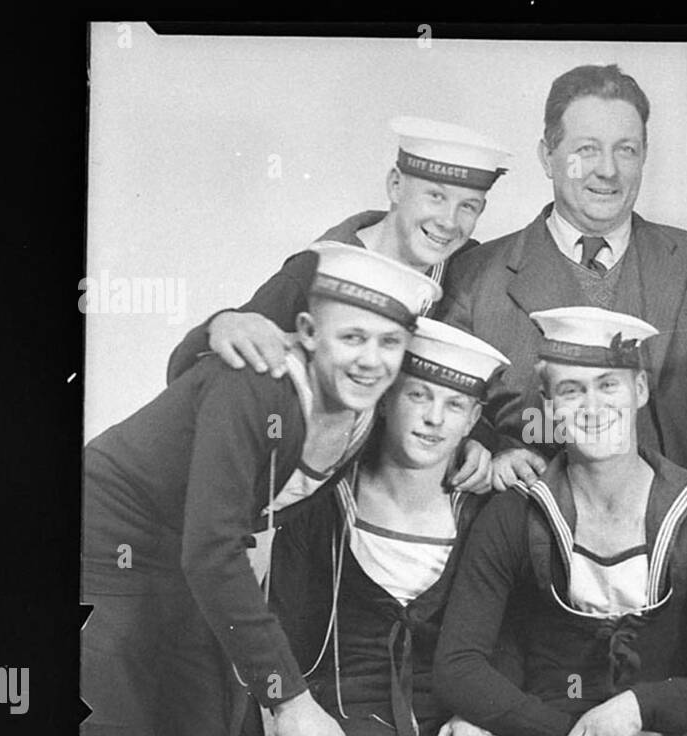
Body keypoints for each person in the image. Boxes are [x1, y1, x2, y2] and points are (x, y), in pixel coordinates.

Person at [80, 244, 440, 736]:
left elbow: (442, 410)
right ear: (307, 332)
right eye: (352, 337)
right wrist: (290, 700)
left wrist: (490, 450)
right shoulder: (258, 384)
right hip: (109, 541)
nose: (371, 360)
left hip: (191, 554)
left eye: (389, 343)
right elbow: (212, 551)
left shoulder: (365, 409)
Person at [433, 307, 687, 736]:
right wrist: (574, 734)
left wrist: (638, 709)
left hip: (662, 734)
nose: (593, 407)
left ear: (640, 390)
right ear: (548, 405)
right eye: (572, 391)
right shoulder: (516, 513)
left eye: (608, 385)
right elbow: (457, 667)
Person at [165, 117, 513, 492]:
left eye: (468, 206)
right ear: (396, 185)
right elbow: (199, 369)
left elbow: (464, 380)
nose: (448, 221)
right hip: (293, 487)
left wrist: (479, 440)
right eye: (435, 196)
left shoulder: (464, 271)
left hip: (387, 488)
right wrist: (223, 323)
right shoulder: (315, 272)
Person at [437, 64, 687, 487]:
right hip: (540, 522)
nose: (608, 170)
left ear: (644, 156)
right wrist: (492, 446)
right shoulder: (476, 276)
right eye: (587, 150)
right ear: (547, 157)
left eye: (626, 149)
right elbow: (444, 404)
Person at [262, 320, 513, 736]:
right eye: (418, 395)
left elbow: (514, 633)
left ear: (473, 419)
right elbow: (276, 628)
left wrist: (485, 712)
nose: (434, 418)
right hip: (345, 716)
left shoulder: (486, 514)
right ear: (385, 399)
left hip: (459, 718)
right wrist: (293, 707)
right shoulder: (321, 505)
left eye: (454, 404)